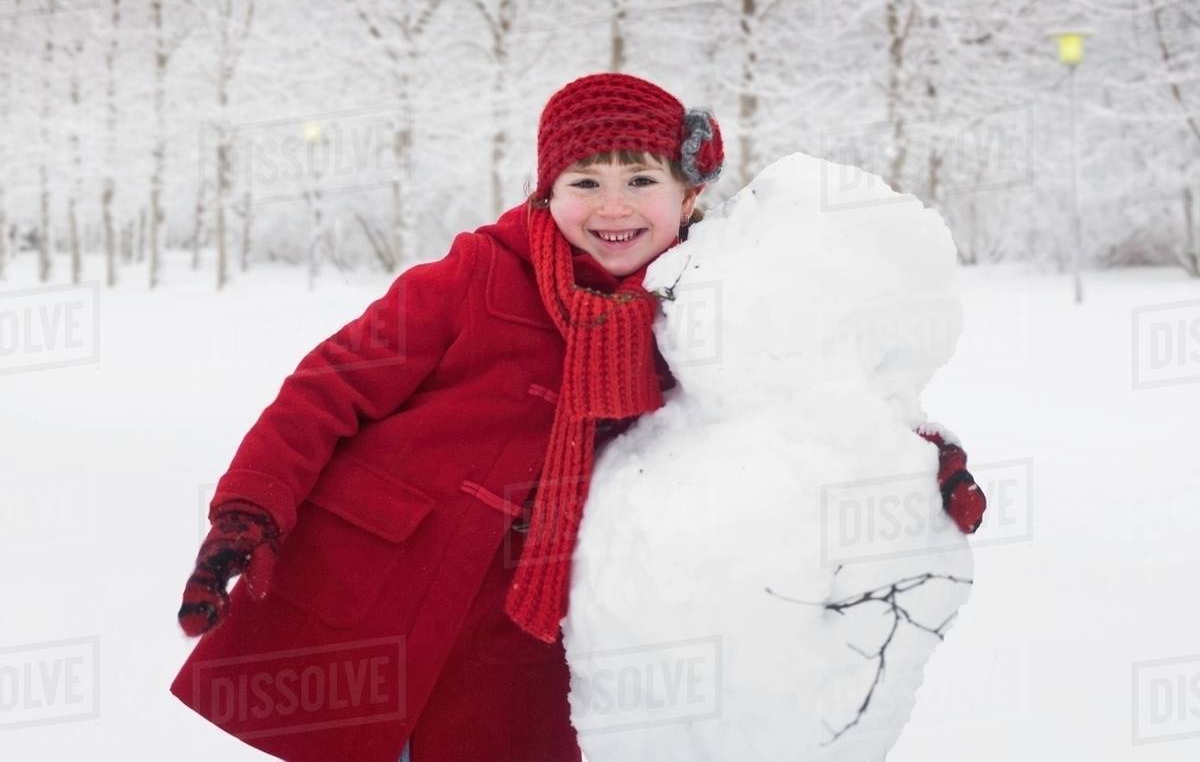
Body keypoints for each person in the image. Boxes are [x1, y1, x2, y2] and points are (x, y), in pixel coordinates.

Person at [170, 72, 985, 762]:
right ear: (546, 191)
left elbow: (804, 383)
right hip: (379, 585)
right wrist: (248, 511)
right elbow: (328, 388)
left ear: (687, 192)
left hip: (523, 644)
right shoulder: (470, 277)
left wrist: (920, 451)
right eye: (584, 182)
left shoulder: (703, 305)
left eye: (641, 180)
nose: (612, 206)